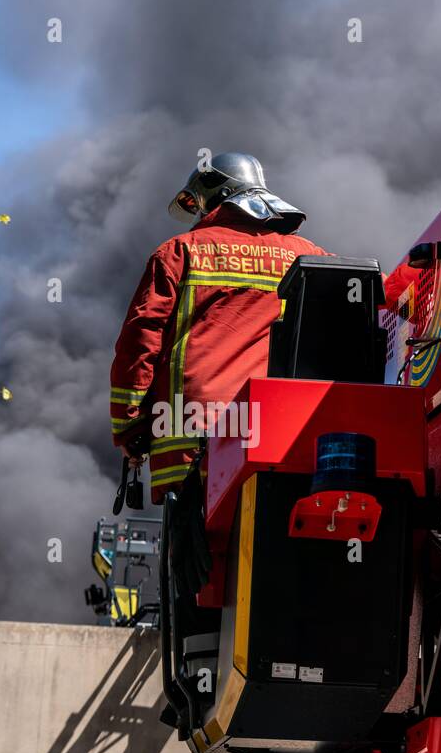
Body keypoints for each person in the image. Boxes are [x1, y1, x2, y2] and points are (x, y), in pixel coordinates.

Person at [110, 152, 328, 501]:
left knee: (196, 550)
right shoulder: (307, 256)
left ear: (216, 196)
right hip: (277, 436)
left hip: (188, 437)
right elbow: (371, 294)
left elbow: (140, 340)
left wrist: (128, 424)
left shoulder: (180, 252)